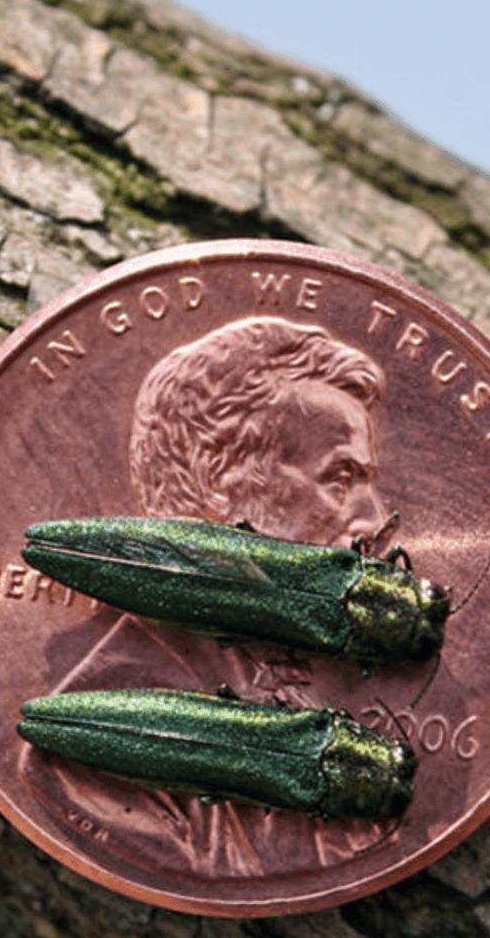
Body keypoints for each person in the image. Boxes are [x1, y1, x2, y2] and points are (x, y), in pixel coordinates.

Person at [20, 316, 399, 876]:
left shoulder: (305, 680)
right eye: (339, 478)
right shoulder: (79, 761)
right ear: (223, 487)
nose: (376, 519)